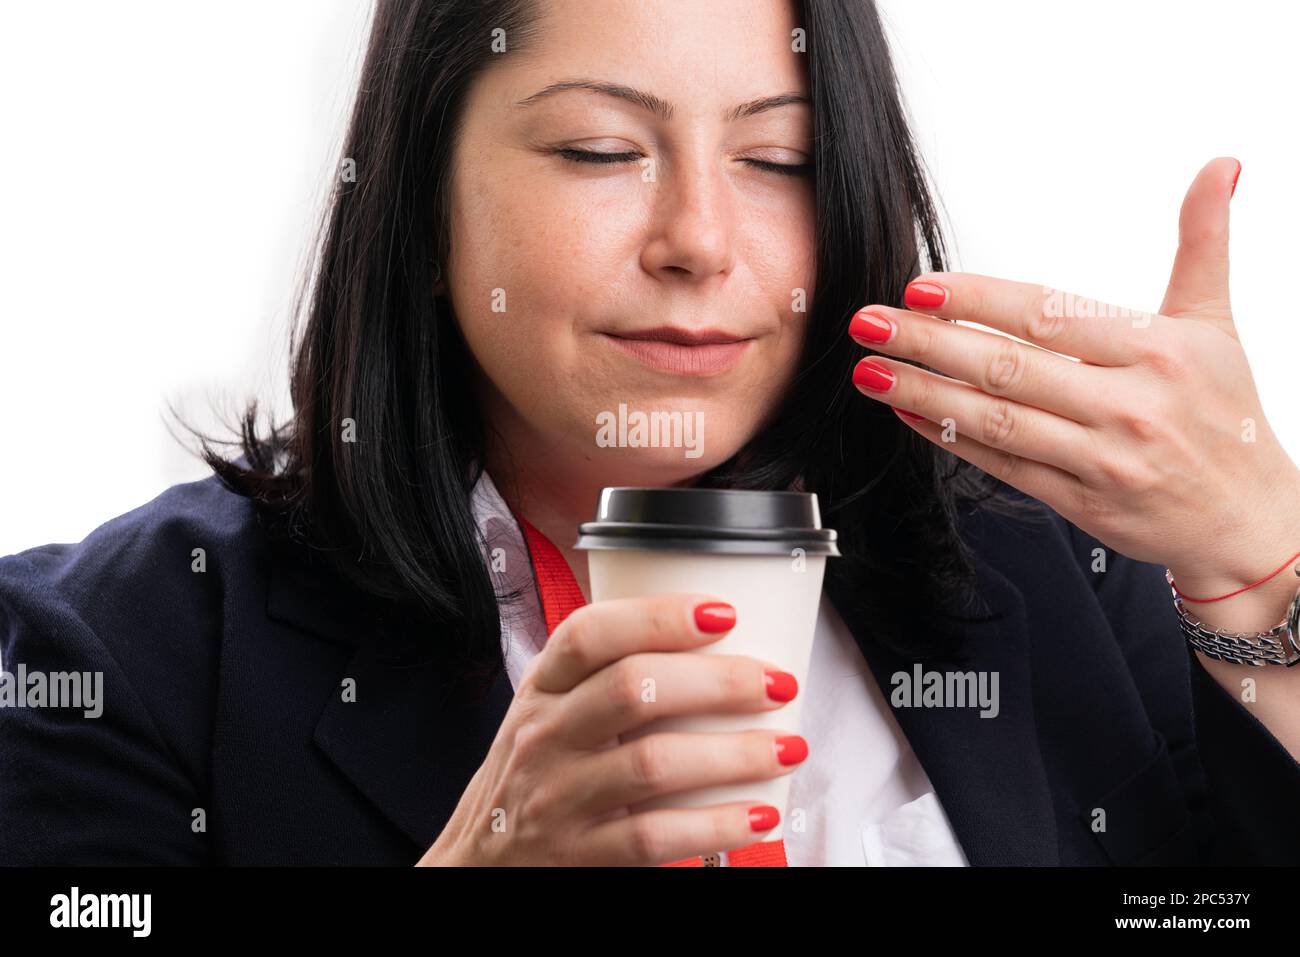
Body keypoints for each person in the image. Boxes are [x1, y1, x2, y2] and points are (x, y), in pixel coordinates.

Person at [1, 0, 1297, 867]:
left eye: (779, 160)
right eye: (599, 149)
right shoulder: (108, 658)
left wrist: (1262, 572)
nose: (698, 242)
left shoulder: (1055, 560)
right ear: (418, 189)